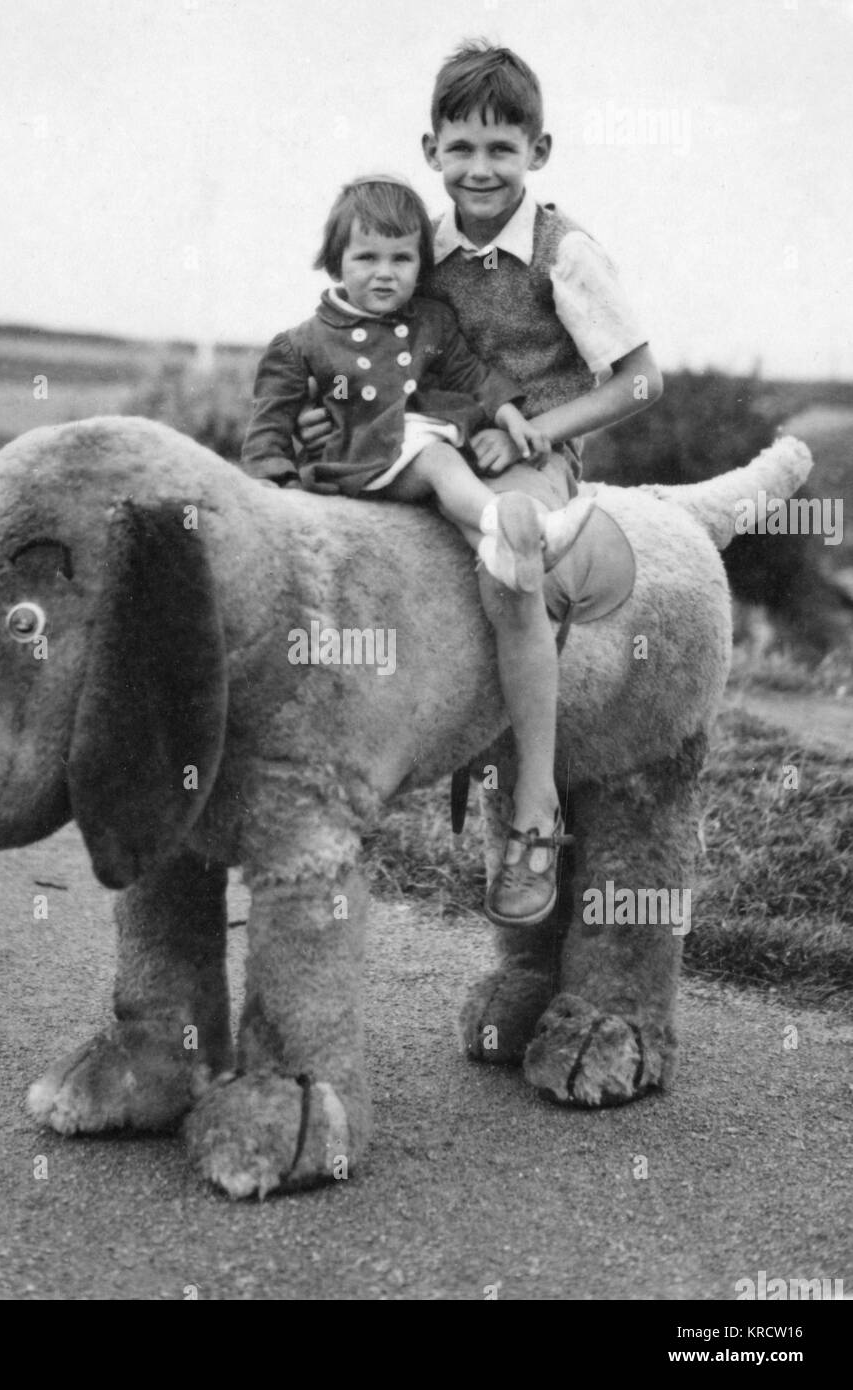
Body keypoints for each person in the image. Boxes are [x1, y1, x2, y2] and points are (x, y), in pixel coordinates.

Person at [296, 43, 663, 928]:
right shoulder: (418, 240)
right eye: (461, 149)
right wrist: (328, 415)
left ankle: (533, 812)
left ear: (538, 152)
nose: (480, 169)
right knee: (311, 543)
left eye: (502, 149)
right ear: (431, 151)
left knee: (508, 570)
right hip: (426, 439)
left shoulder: (563, 252)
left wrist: (538, 431)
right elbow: (368, 341)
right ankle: (315, 789)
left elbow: (641, 380)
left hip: (535, 451)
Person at [240, 174, 592, 605]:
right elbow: (269, 427)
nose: (384, 274)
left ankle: (497, 551)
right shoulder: (302, 344)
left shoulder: (431, 322)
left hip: (414, 446)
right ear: (337, 261)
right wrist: (279, 487)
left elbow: (473, 376)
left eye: (401, 259)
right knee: (440, 462)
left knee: (452, 480)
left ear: (420, 264)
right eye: (366, 258)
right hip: (358, 460)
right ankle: (519, 527)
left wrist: (510, 416)